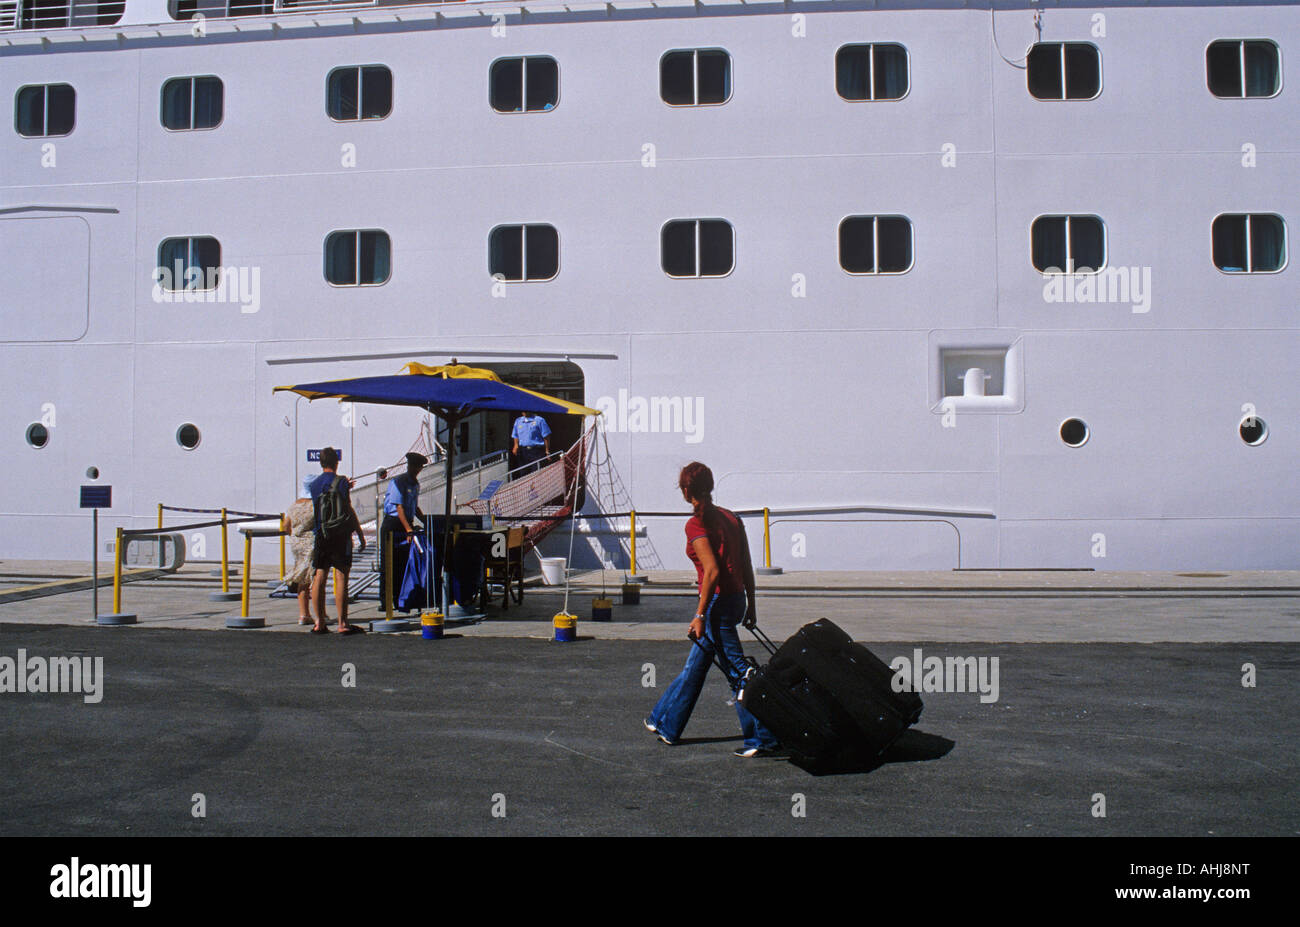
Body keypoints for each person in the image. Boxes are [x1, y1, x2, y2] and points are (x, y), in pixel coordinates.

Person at [644, 462, 781, 757]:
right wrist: (751, 605)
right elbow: (745, 566)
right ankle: (664, 722)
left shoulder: (696, 524)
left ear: (685, 490)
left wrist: (700, 615)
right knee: (695, 667)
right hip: (736, 599)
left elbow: (712, 572)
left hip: (716, 606)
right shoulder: (732, 518)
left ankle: (764, 738)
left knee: (737, 671)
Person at [308, 447, 367, 635]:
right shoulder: (341, 482)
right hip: (340, 535)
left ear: (321, 462)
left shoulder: (314, 484)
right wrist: (358, 531)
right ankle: (342, 623)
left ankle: (319, 622)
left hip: (321, 534)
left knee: (319, 576)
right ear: (336, 462)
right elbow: (347, 509)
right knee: (341, 577)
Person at [282, 476, 332, 626]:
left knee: (301, 578)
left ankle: (304, 614)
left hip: (297, 543)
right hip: (312, 543)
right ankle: (320, 614)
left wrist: (296, 535)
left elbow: (286, 526)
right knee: (317, 578)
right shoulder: (316, 505)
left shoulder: (293, 506)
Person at [380, 452, 426, 611]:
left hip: (407, 523)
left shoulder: (415, 484)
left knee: (402, 564)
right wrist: (409, 531)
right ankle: (385, 600)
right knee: (388, 563)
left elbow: (414, 506)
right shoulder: (399, 482)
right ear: (409, 466)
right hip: (393, 524)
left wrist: (425, 521)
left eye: (417, 467)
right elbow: (399, 507)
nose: (414, 470)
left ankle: (399, 598)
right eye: (412, 466)